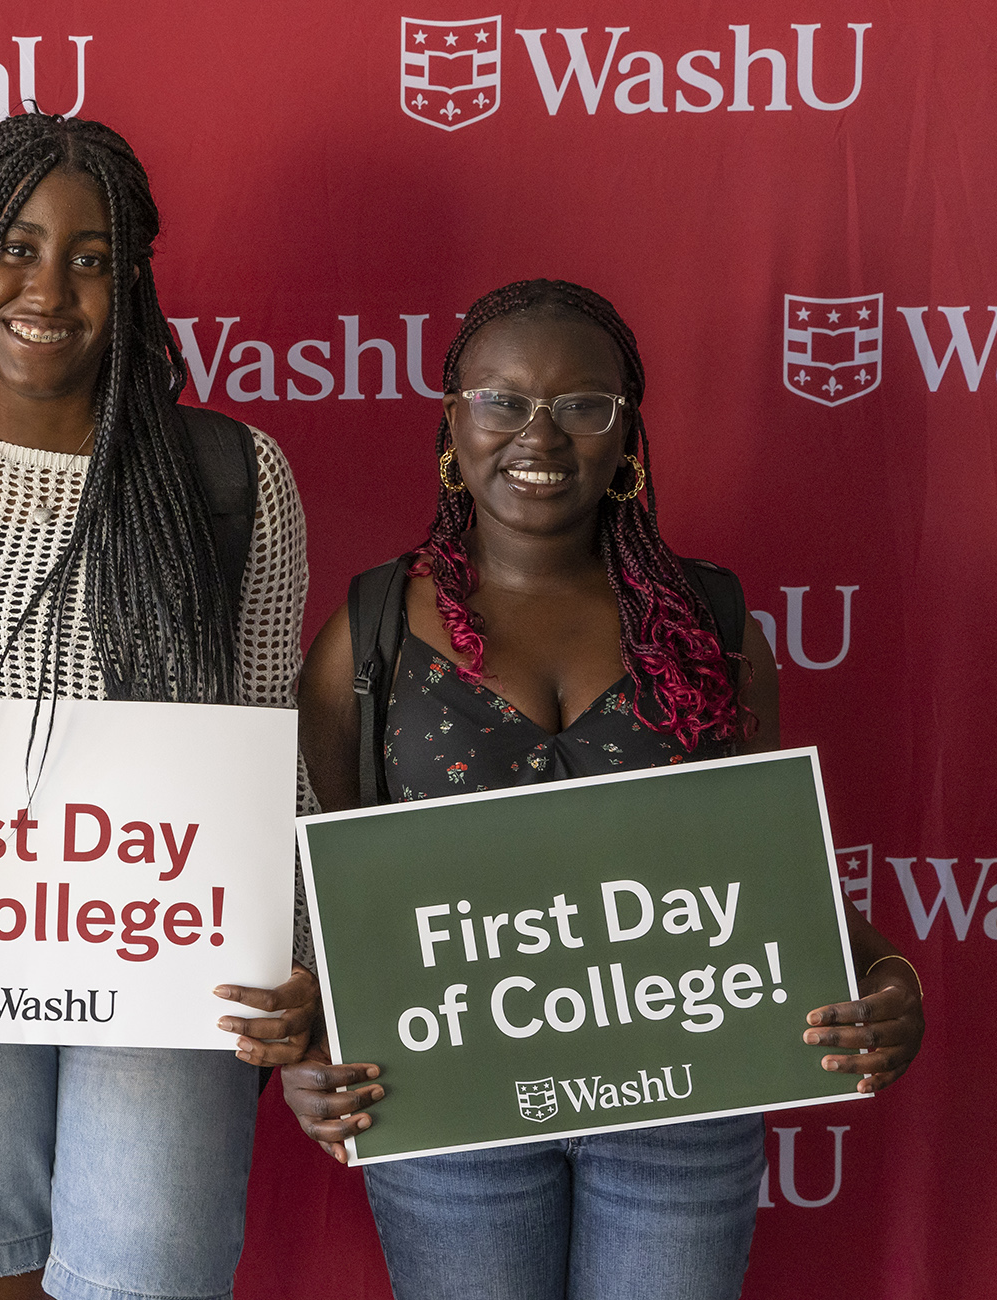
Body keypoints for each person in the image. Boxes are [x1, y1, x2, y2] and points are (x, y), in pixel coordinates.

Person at [286, 279, 926, 1299]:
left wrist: (893, 974)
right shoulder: (367, 635)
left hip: (683, 1100)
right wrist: (311, 1049)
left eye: (583, 405)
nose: (539, 434)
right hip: (450, 1105)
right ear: (453, 421)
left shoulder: (711, 627)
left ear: (626, 435)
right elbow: (328, 896)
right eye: (502, 400)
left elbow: (763, 875)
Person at [0, 111, 316, 1300]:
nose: (51, 287)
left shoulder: (232, 477)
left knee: (145, 1272)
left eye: (93, 258)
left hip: (169, 952)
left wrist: (297, 952)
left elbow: (267, 728)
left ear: (132, 280)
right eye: (14, 246)